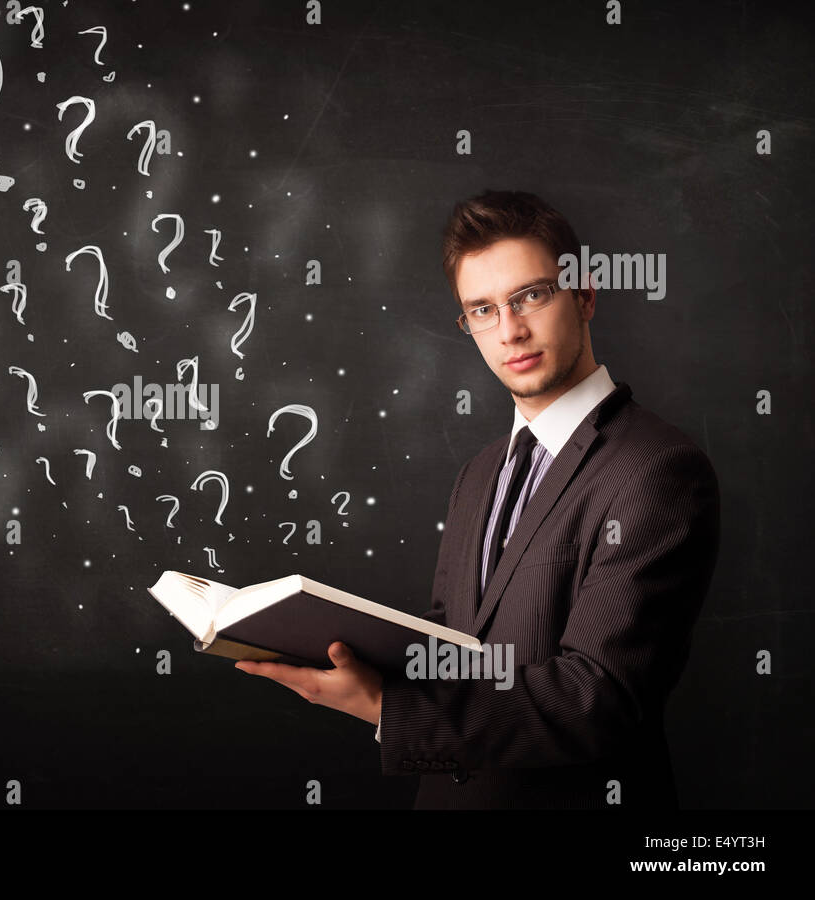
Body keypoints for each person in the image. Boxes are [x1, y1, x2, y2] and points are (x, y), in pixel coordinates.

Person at [235, 190, 721, 809]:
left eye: (532, 296)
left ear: (586, 295)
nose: (510, 330)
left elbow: (597, 697)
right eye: (483, 310)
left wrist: (388, 706)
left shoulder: (658, 468)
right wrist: (344, 650)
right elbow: (454, 649)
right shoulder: (480, 472)